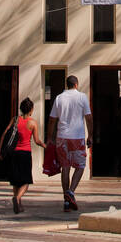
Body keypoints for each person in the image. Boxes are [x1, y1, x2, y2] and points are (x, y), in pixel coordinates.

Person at [48, 75, 93, 211]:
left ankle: (66, 202)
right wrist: (90, 135)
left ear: (67, 85)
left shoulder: (59, 98)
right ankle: (71, 192)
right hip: (77, 137)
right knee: (80, 166)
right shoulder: (82, 97)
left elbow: (52, 119)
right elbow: (89, 117)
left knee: (65, 168)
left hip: (62, 137)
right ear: (76, 84)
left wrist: (50, 137)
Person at [4, 97, 43, 214]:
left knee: (16, 180)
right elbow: (36, 140)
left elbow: (6, 132)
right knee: (26, 181)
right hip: (25, 153)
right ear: (31, 109)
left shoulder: (15, 120)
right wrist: (45, 146)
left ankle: (19, 204)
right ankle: (17, 198)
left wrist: (1, 150)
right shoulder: (32, 123)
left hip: (14, 153)